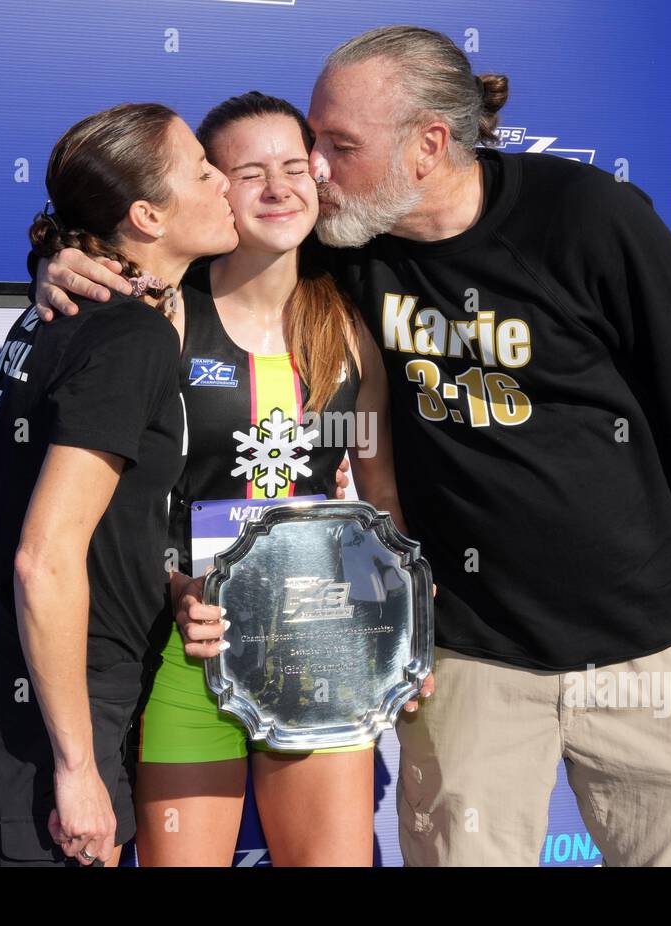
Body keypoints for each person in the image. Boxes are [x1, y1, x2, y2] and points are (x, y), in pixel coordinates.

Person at [31, 26, 671, 867]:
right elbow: (159, 242)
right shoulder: (345, 249)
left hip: (641, 642)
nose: (314, 173)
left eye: (337, 148)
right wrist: (66, 261)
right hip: (472, 656)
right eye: (313, 147)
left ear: (428, 146)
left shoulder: (589, 218)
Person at [0, 102, 237, 866]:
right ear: (145, 216)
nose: (224, 181)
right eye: (202, 170)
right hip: (44, 726)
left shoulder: (69, 310)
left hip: (44, 697)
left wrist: (165, 585)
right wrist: (77, 767)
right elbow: (46, 558)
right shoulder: (126, 334)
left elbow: (102, 529)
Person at [133, 91, 420, 866]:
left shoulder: (349, 331)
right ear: (210, 187)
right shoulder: (165, 318)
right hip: (191, 654)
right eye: (249, 171)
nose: (278, 188)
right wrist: (174, 586)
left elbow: (381, 502)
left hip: (320, 657)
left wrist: (406, 633)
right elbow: (124, 507)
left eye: (295, 167)